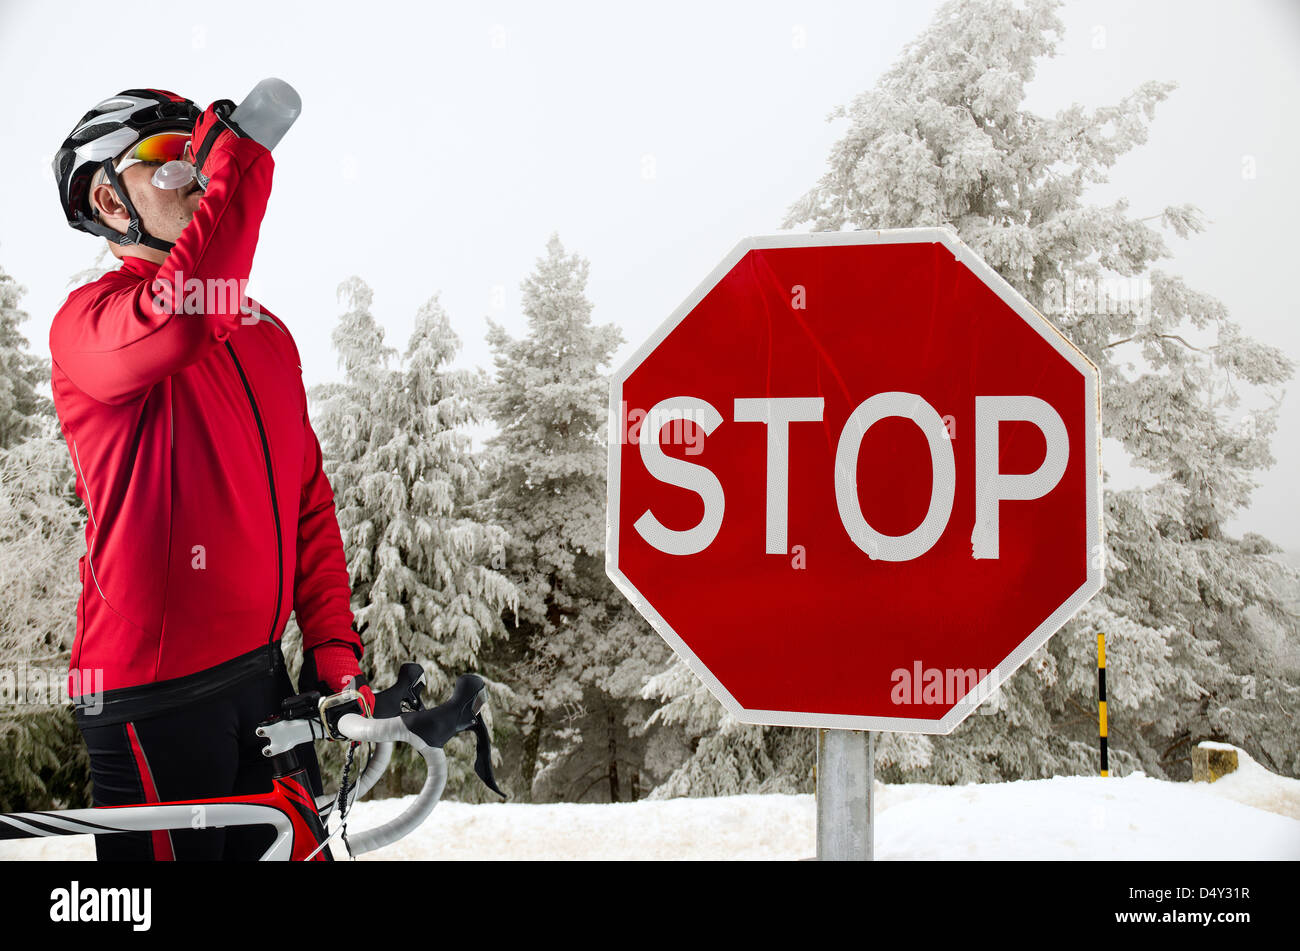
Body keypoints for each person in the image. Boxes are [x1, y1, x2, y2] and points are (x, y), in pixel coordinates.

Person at [49, 88, 373, 860]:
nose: (196, 175)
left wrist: (333, 648)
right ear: (108, 198)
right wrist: (241, 157)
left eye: (202, 157)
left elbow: (307, 506)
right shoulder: (91, 324)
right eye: (169, 160)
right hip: (151, 701)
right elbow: (182, 316)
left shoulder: (264, 335)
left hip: (260, 684)